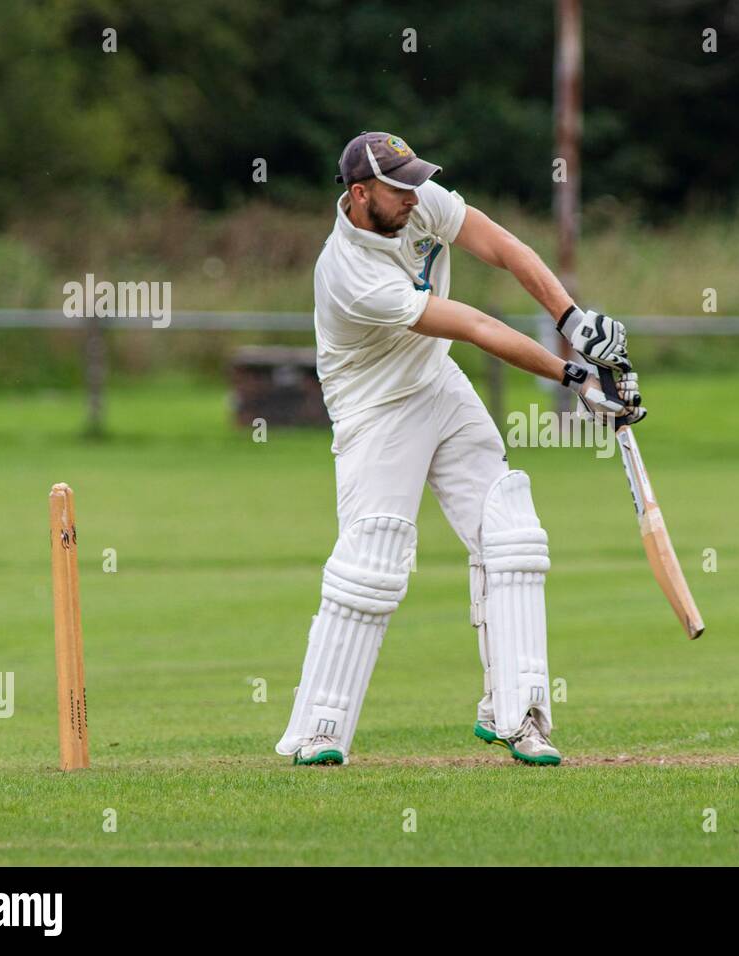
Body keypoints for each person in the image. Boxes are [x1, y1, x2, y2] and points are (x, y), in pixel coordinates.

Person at [275, 131, 644, 767]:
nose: (415, 197)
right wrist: (575, 376)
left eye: (416, 180)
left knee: (512, 533)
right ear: (360, 195)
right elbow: (473, 325)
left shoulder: (418, 199)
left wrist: (574, 322)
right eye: (398, 188)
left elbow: (502, 247)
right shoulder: (349, 274)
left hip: (437, 383)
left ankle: (515, 713)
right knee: (372, 562)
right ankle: (320, 730)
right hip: (376, 411)